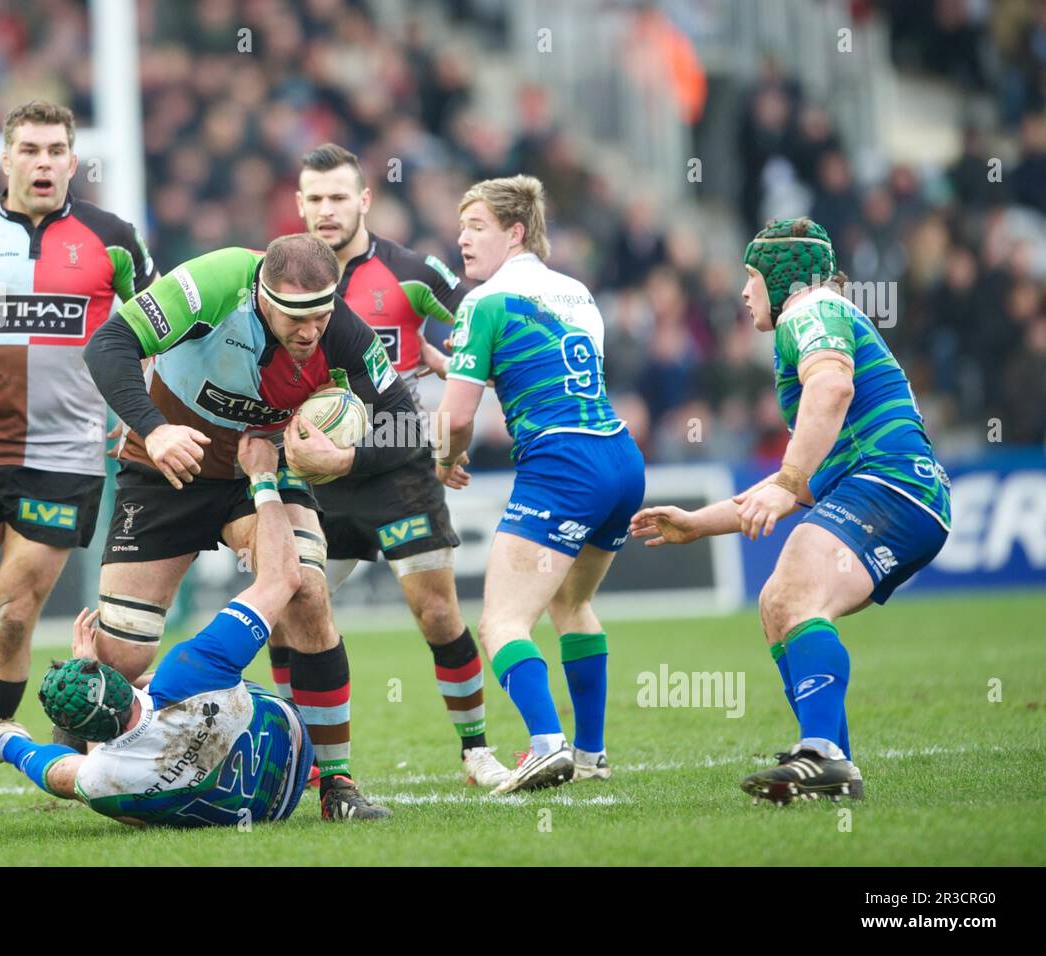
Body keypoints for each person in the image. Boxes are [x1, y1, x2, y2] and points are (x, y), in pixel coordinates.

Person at [82, 233, 428, 820]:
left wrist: (346, 461)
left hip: (259, 465)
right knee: (122, 654)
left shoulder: (341, 328)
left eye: (321, 313)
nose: (311, 331)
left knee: (308, 591)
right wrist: (152, 425)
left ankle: (336, 783)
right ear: (260, 293)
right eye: (294, 316)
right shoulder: (215, 282)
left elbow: (407, 423)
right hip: (170, 458)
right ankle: (101, 748)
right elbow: (108, 343)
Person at [630, 217, 951, 804]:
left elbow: (832, 391)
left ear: (783, 279)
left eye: (752, 277)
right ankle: (832, 768)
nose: (744, 292)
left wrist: (788, 477)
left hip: (891, 484)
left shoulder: (810, 309)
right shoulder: (819, 318)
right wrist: (700, 524)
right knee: (779, 602)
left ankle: (822, 754)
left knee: (797, 583)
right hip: (896, 491)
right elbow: (802, 484)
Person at [0, 100, 156, 824]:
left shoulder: (114, 241)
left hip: (64, 456)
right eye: (30, 150)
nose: (44, 162)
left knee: (12, 614)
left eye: (56, 151)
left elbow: (161, 333)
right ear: (6, 161)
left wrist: (144, 418)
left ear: (73, 161)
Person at [0, 434, 317, 829]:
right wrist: (263, 479)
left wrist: (7, 745)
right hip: (295, 748)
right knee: (217, 675)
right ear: (117, 680)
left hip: (265, 809)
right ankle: (332, 776)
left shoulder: (100, 777)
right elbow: (283, 577)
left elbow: (54, 769)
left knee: (114, 800)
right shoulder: (191, 670)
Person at [296, 143, 509, 788]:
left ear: (365, 200)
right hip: (316, 476)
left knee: (438, 614)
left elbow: (477, 322)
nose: (326, 210)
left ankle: (475, 751)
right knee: (293, 614)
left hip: (398, 466)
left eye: (338, 197)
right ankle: (307, 757)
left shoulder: (415, 273)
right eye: (314, 198)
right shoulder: (280, 274)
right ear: (298, 204)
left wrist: (452, 393)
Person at [430, 176, 646, 794]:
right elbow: (542, 371)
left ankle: (546, 744)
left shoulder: (485, 302)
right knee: (571, 604)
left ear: (515, 231)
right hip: (620, 459)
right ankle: (591, 754)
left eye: (477, 227)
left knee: (500, 623)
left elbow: (458, 417)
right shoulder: (576, 292)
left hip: (562, 465)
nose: (462, 239)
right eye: (461, 226)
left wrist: (448, 460)